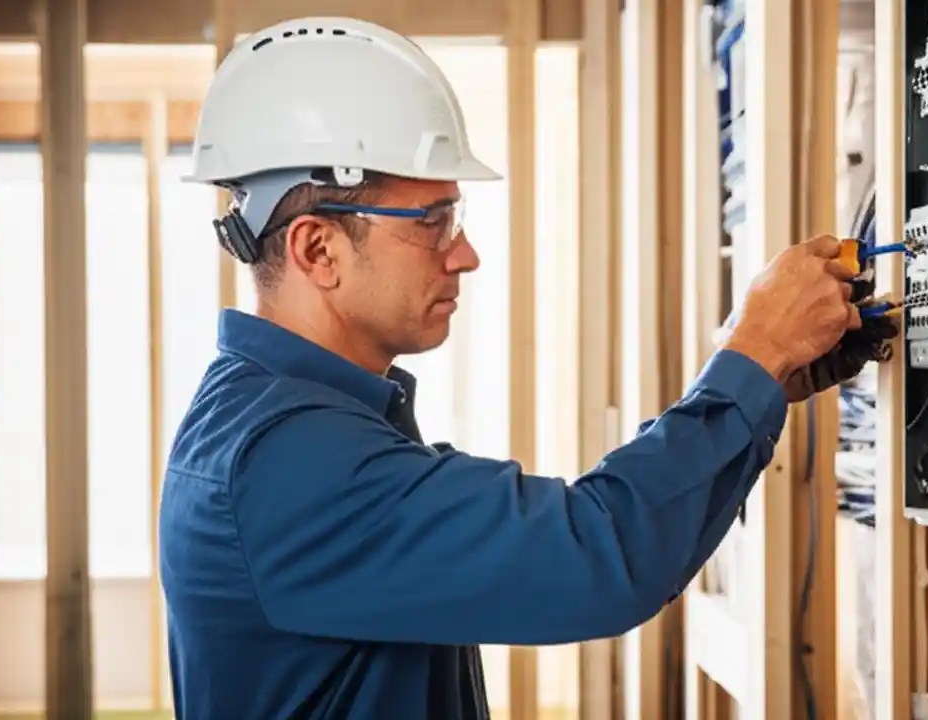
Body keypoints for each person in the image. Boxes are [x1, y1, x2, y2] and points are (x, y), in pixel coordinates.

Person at [159, 15, 872, 720]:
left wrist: (760, 378)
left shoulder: (287, 423)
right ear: (319, 251)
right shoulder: (285, 462)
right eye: (432, 222)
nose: (464, 254)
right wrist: (752, 356)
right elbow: (597, 553)